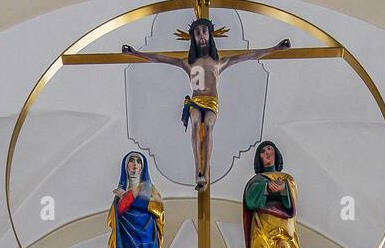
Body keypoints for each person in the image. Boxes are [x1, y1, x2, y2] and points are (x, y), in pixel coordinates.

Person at [122, 21, 291, 190]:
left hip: (211, 101)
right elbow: (159, 58)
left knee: (208, 127)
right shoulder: (188, 64)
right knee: (196, 124)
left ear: (210, 35)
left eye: (204, 32)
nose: (201, 36)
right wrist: (136, 53)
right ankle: (198, 171)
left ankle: (206, 171)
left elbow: (250, 55)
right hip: (196, 101)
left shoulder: (220, 63)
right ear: (193, 39)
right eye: (197, 33)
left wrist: (275, 48)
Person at [243, 140, 299, 248]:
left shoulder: (287, 179)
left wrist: (283, 190)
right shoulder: (257, 180)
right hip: (262, 227)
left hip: (283, 228)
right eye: (262, 151)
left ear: (276, 153)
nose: (267, 152)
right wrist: (266, 188)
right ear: (259, 158)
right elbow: (250, 201)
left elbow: (292, 203)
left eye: (270, 149)